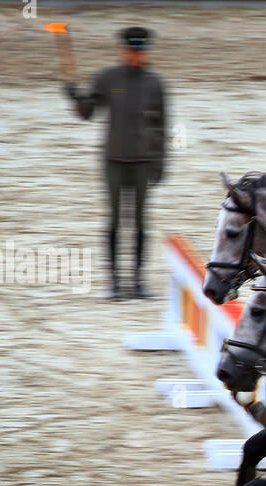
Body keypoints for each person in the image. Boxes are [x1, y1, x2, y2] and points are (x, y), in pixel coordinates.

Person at [64, 27, 167, 300]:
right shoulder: (108, 78)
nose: (136, 56)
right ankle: (113, 283)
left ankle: (137, 282)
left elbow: (162, 126)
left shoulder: (156, 83)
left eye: (141, 51)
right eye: (132, 51)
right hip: (113, 162)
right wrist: (75, 97)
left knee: (141, 223)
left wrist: (161, 163)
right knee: (114, 221)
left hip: (144, 163)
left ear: (147, 52)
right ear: (122, 50)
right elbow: (88, 113)